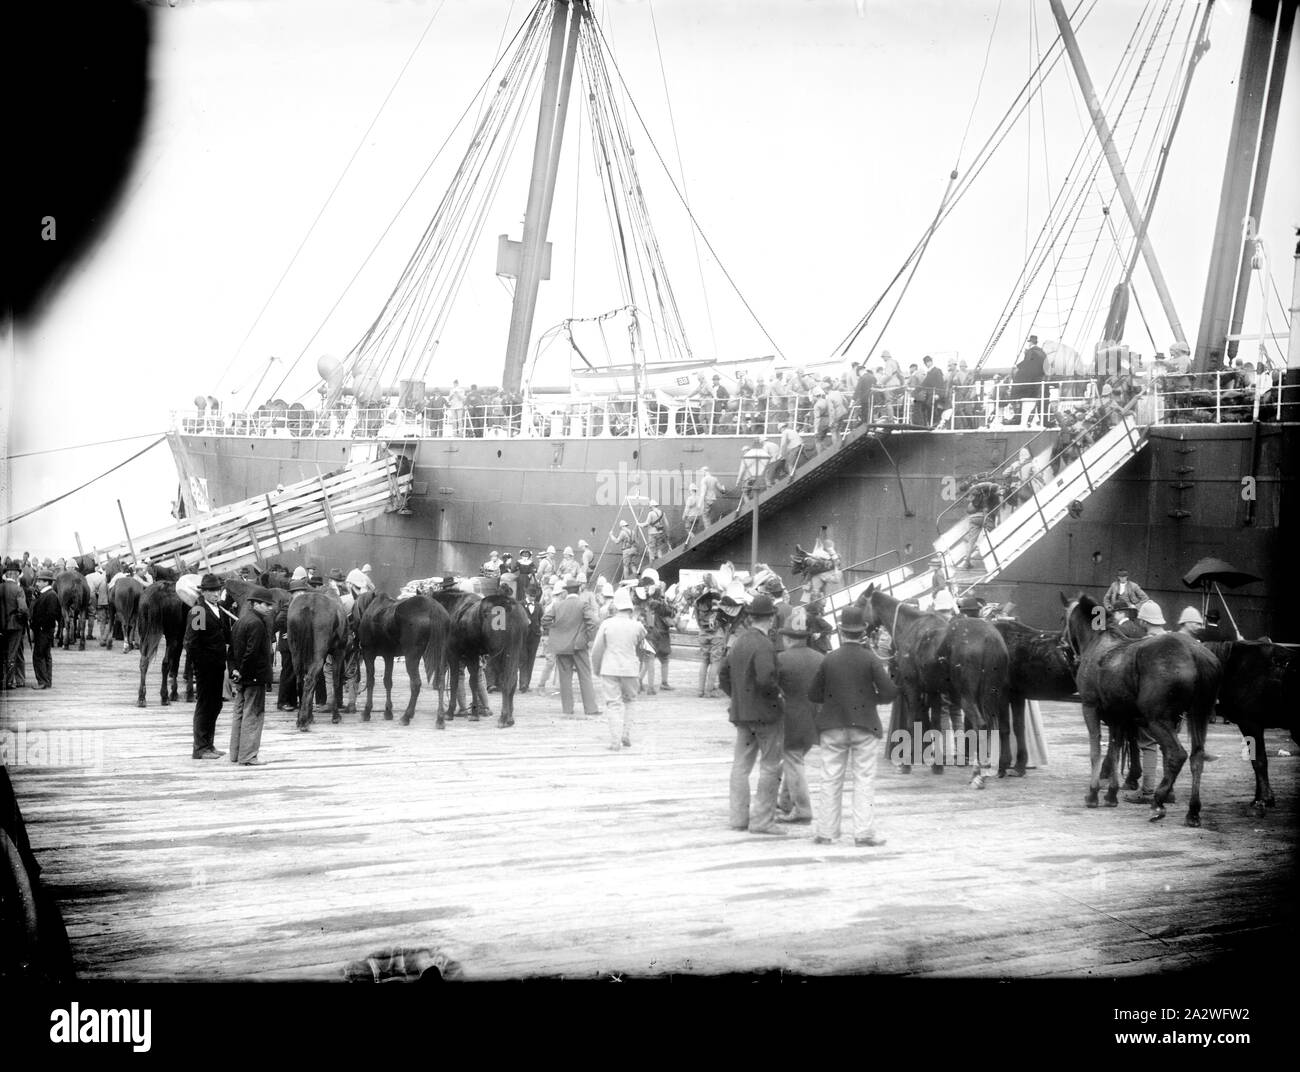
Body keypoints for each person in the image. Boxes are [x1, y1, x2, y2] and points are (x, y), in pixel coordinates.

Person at [806, 604, 898, 847]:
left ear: (840, 630)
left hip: (832, 726)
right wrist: (871, 698)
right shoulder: (871, 659)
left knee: (830, 779)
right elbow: (889, 692)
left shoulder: (829, 659)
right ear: (864, 631)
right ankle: (864, 833)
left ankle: (826, 832)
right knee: (864, 779)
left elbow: (814, 694)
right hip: (865, 726)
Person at [718, 593, 785, 835]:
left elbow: (722, 672)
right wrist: (778, 696)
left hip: (742, 714)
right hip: (766, 716)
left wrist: (737, 696)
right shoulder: (765, 645)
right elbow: (766, 678)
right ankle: (763, 821)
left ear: (751, 617)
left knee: (741, 766)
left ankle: (738, 818)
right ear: (771, 618)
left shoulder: (739, 641)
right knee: (770, 766)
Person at [775, 607, 823, 825]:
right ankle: (785, 801)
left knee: (793, 760)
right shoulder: (821, 659)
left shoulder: (781, 659)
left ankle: (803, 809)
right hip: (815, 719)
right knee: (795, 760)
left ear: (787, 637)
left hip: (790, 718)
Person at [1125, 600, 1175, 805]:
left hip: (1152, 704)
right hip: (1175, 705)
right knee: (1169, 745)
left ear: (1144, 621)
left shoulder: (1145, 644)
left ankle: (1147, 791)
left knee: (1148, 744)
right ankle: (1168, 790)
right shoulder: (1172, 640)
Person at [591, 587, 648, 751]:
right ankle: (626, 734)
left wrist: (597, 668)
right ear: (630, 608)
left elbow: (597, 650)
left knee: (613, 704)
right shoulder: (637, 626)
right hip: (630, 669)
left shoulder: (606, 624)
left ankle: (615, 740)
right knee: (630, 701)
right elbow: (643, 645)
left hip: (609, 668)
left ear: (615, 607)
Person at [228, 585, 276, 766]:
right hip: (254, 677)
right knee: (253, 716)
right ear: (255, 604)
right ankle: (248, 756)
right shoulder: (258, 624)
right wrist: (244, 673)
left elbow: (231, 650)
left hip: (241, 677)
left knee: (239, 714)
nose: (270, 608)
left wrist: (234, 670)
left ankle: (235, 754)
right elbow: (252, 653)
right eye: (266, 604)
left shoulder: (240, 621)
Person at [184, 574, 230, 760]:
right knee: (204, 705)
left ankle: (209, 745)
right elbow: (191, 643)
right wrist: (200, 667)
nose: (216, 593)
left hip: (218, 666)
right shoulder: (199, 611)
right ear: (203, 592)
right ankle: (200, 748)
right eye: (211, 591)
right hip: (205, 668)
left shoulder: (218, 609)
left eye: (218, 590)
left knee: (215, 705)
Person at [542, 576, 601, 718]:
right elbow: (594, 622)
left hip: (562, 645)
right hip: (579, 646)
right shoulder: (583, 604)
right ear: (579, 589)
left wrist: (557, 631)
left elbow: (545, 620)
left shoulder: (557, 605)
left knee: (565, 678)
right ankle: (590, 708)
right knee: (585, 676)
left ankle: (567, 709)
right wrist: (588, 638)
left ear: (566, 592)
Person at [694, 579, 726, 698]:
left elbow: (697, 620)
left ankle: (700, 690)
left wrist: (703, 628)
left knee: (704, 661)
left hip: (703, 633)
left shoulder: (697, 603)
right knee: (715, 662)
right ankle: (709, 691)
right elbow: (724, 619)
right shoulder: (718, 601)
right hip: (717, 634)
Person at [29, 569, 60, 689]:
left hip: (44, 630)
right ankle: (47, 681)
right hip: (45, 630)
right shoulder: (47, 594)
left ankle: (42, 682)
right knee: (46, 655)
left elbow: (51, 615)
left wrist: (41, 626)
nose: (37, 583)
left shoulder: (50, 595)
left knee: (38, 655)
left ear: (46, 582)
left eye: (40, 581)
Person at [1, 559, 29, 689]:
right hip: (15, 625)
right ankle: (12, 681)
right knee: (14, 653)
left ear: (7, 574)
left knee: (5, 652)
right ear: (16, 575)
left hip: (2, 625)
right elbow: (23, 609)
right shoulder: (18, 590)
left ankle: (7, 679)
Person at [735, 438, 769, 509]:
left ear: (744, 451)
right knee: (755, 491)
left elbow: (741, 470)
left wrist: (738, 481)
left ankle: (749, 507)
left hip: (747, 478)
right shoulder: (755, 457)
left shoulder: (745, 457)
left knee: (745, 493)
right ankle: (754, 505)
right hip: (756, 477)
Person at [85, 561, 106, 643]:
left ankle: (78, 633)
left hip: (84, 593)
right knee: (91, 614)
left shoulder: (88, 575)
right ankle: (89, 634)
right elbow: (100, 590)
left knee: (81, 613)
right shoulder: (102, 577)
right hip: (92, 594)